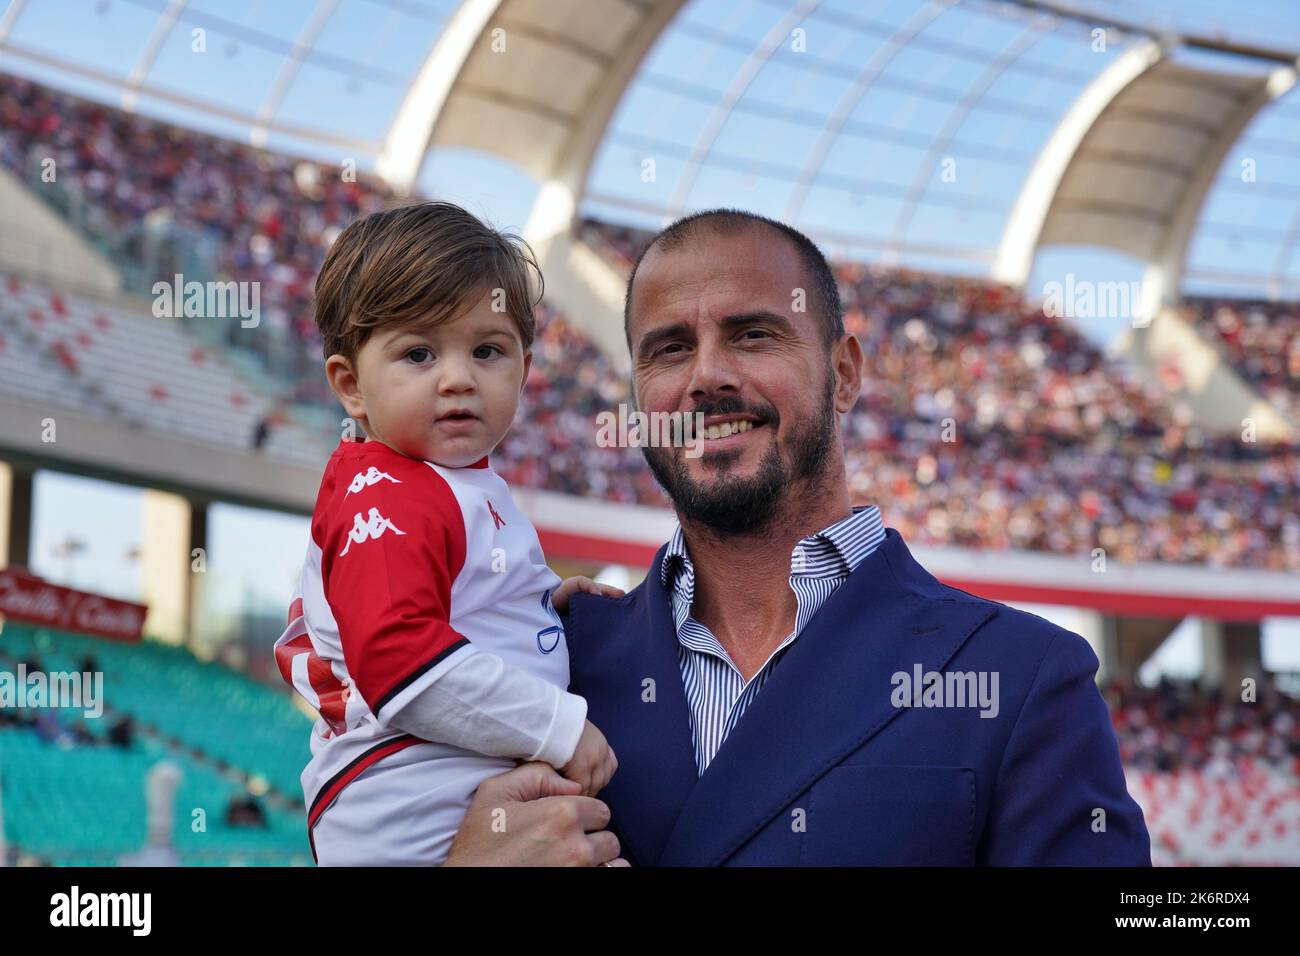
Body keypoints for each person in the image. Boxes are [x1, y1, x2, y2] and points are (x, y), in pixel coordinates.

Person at [444, 208, 1151, 866]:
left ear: (843, 374)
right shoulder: (548, 658)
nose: (707, 377)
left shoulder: (1023, 675)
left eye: (752, 335)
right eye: (669, 349)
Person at [274, 201, 622, 866]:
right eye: (419, 352)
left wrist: (539, 605)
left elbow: (464, 610)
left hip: (444, 778)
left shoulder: (453, 483)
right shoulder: (385, 488)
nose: (459, 376)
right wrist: (559, 727)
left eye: (487, 349)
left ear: (523, 367)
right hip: (405, 792)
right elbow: (400, 658)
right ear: (351, 385)